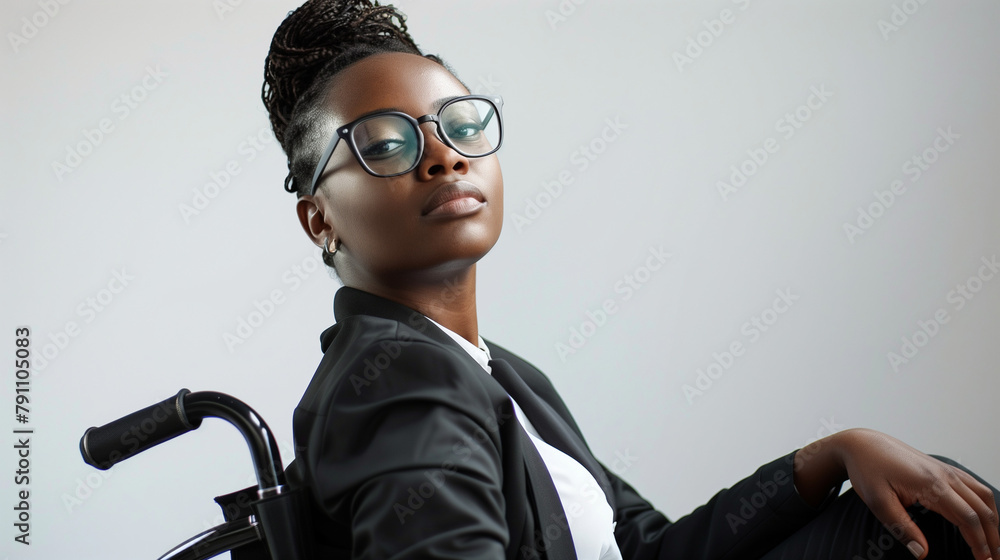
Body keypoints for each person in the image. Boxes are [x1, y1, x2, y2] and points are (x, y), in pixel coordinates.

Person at [258, 1, 1000, 558]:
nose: (444, 156)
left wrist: (831, 455)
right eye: (387, 143)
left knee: (925, 502)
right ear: (319, 220)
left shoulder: (504, 376)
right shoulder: (395, 379)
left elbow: (644, 550)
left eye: (462, 125)